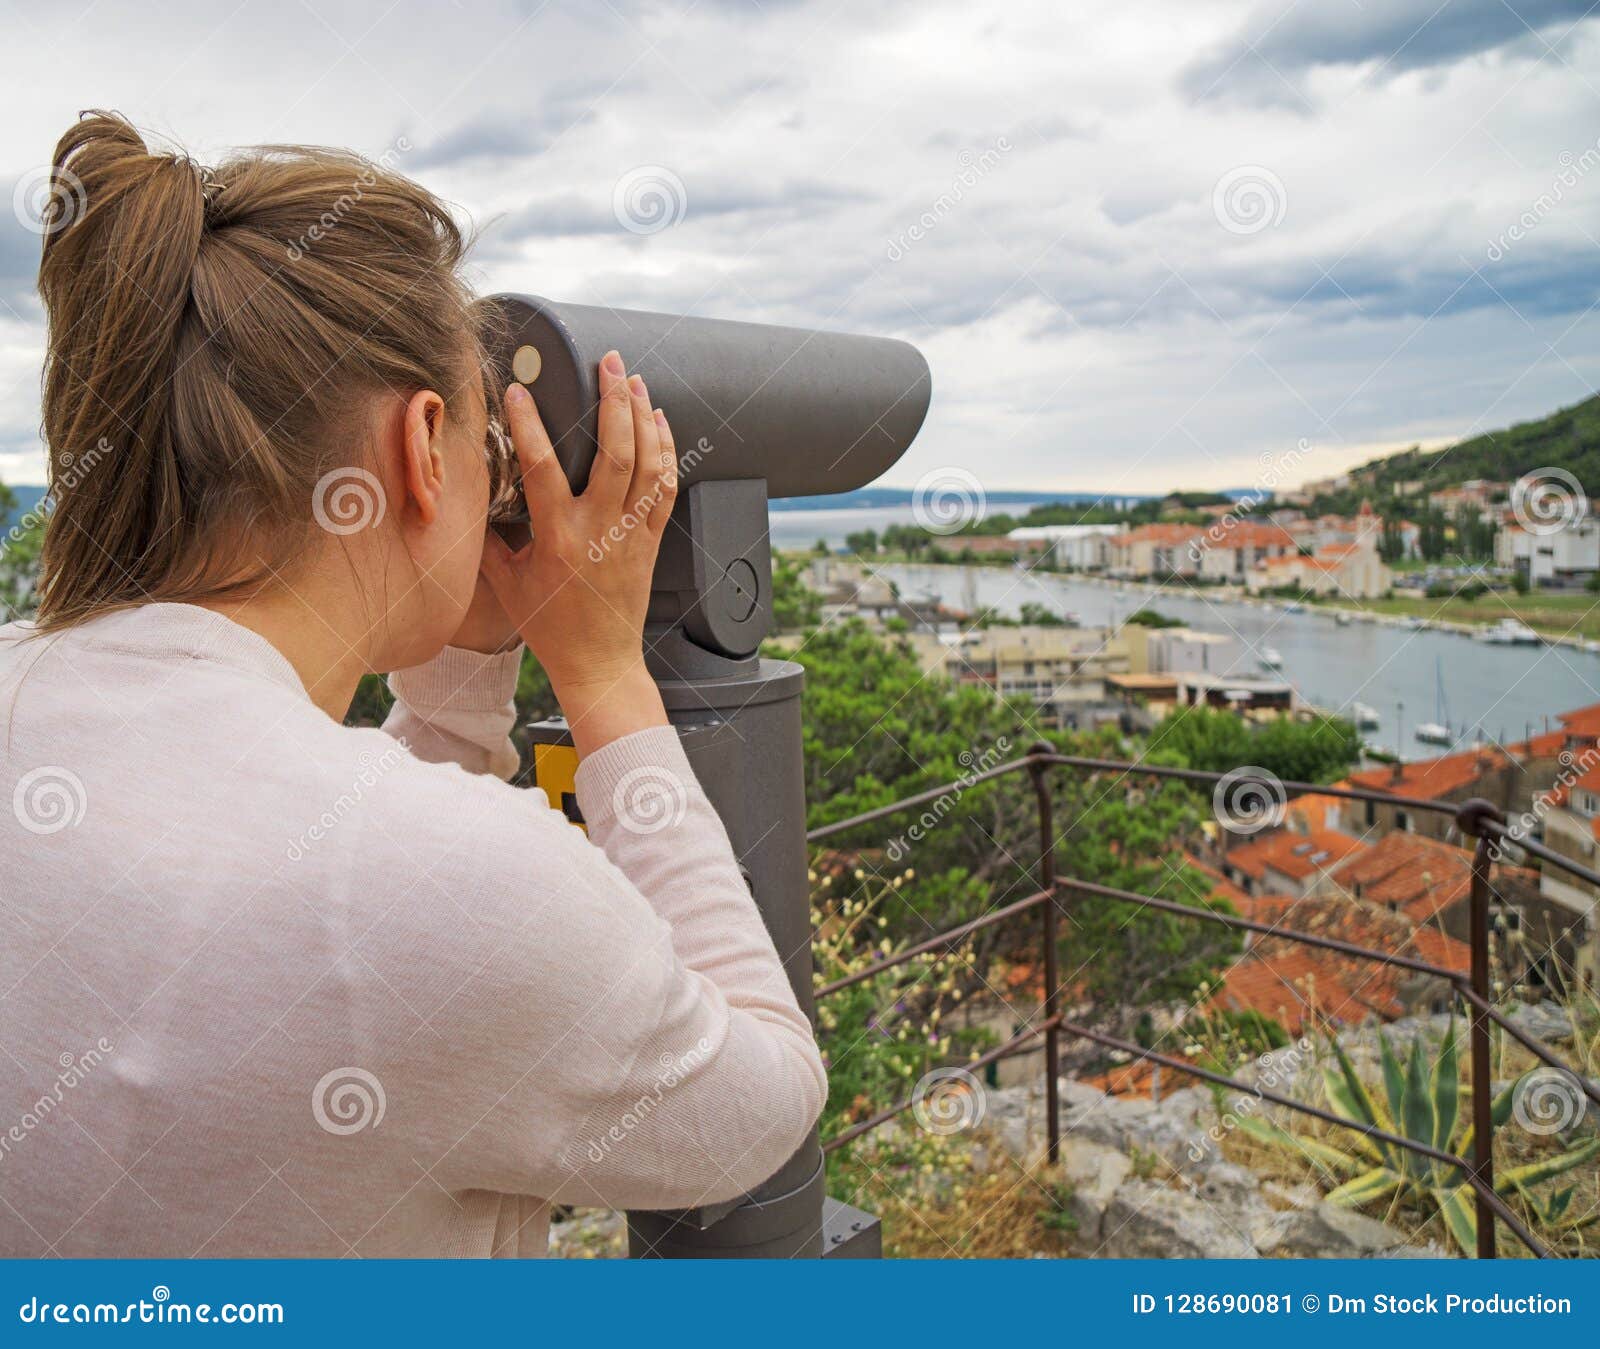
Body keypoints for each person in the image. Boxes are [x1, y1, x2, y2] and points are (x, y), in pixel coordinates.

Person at [0, 111, 824, 1257]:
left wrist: (462, 673)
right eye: (487, 443)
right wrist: (605, 675)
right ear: (421, 445)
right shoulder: (441, 881)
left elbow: (350, 898)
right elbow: (762, 1103)